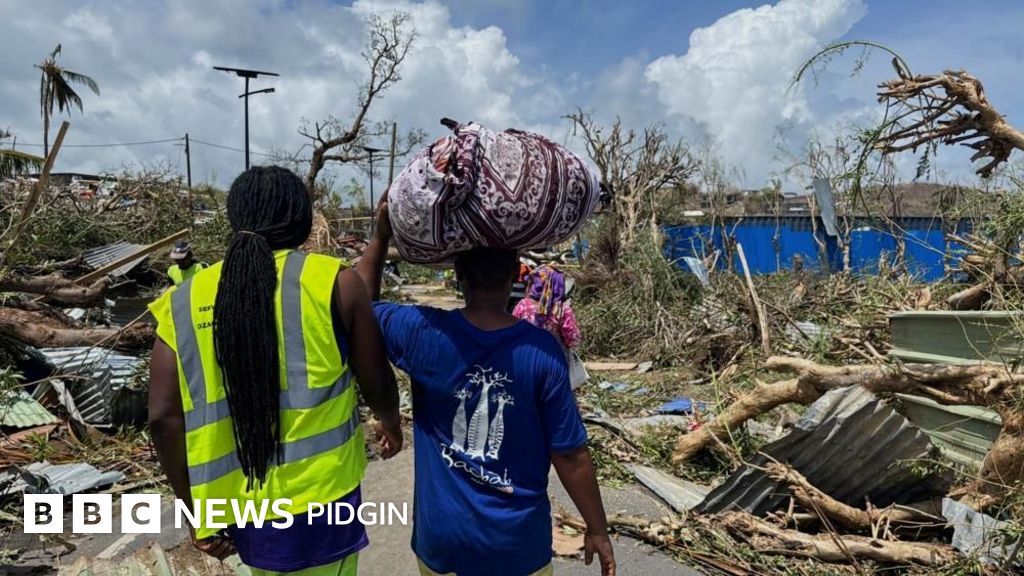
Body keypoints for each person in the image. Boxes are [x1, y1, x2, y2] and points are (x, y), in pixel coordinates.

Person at [148, 167, 402, 575]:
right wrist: (390, 421)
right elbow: (377, 382)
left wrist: (197, 514)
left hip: (240, 508)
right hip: (323, 499)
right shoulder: (331, 281)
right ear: (302, 220)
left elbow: (163, 420)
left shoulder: (182, 302)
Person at [356, 199, 616, 576]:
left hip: (443, 542)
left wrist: (380, 235)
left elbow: (360, 307)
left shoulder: (423, 332)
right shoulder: (540, 351)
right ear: (516, 274)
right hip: (516, 546)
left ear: (458, 274)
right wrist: (597, 529)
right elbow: (571, 457)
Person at [512, 265, 588, 389]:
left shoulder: (523, 305)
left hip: (526, 361)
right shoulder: (562, 309)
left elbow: (512, 332)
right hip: (555, 362)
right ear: (558, 284)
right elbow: (574, 339)